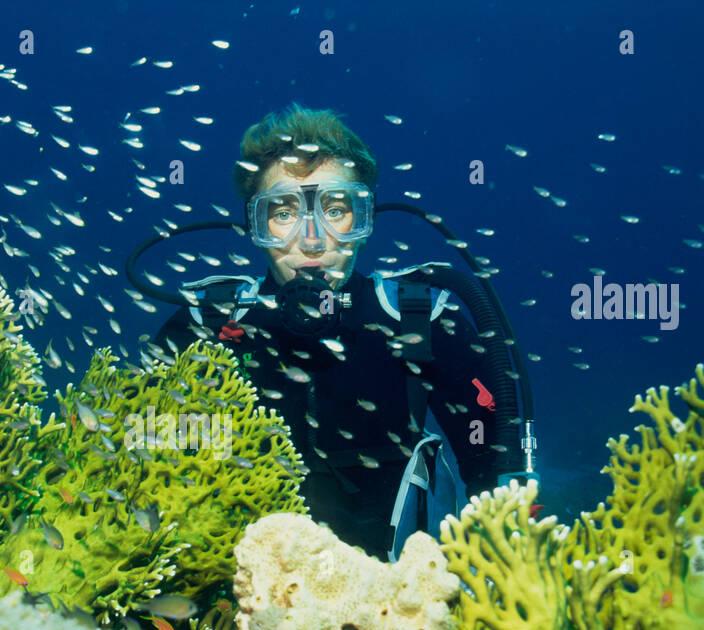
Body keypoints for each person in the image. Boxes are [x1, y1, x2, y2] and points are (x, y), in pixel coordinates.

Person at [149, 104, 526, 559]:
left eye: (335, 209)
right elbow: (135, 457)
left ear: (364, 223)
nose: (312, 239)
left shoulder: (423, 322)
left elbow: (493, 477)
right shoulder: (207, 323)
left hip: (396, 603)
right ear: (256, 225)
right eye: (283, 212)